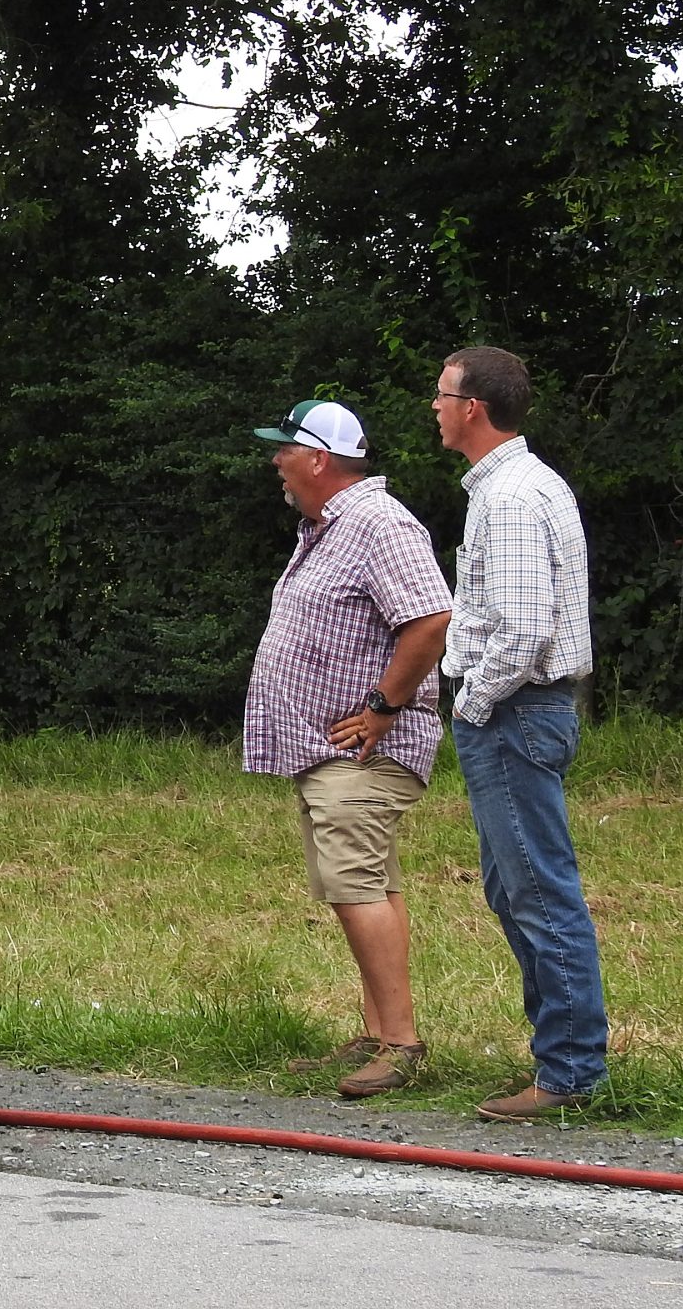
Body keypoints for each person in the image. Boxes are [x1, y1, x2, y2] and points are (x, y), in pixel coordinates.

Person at [243, 399, 452, 1098]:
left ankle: (400, 1043)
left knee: (354, 883)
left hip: (363, 749)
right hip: (330, 751)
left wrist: (382, 708)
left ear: (319, 459)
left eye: (284, 449)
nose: (276, 461)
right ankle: (376, 1032)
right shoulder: (329, 527)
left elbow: (430, 619)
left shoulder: (377, 523)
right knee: (369, 884)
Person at [432, 345, 609, 1120]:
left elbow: (523, 630)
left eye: (441, 396)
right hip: (528, 711)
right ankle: (562, 1060)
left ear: (473, 408)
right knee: (517, 889)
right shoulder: (525, 484)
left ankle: (570, 1073)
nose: (433, 408)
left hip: (514, 712)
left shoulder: (506, 499)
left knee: (537, 891)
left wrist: (471, 703)